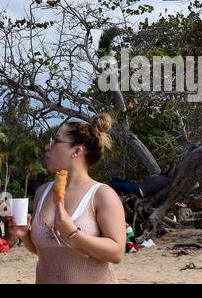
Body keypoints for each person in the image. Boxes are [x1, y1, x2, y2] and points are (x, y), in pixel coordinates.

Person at [14, 113, 127, 284]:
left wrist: (73, 234)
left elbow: (116, 253)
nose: (47, 147)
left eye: (56, 141)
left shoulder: (102, 194)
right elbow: (48, 252)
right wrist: (24, 236)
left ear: (77, 150)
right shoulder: (42, 192)